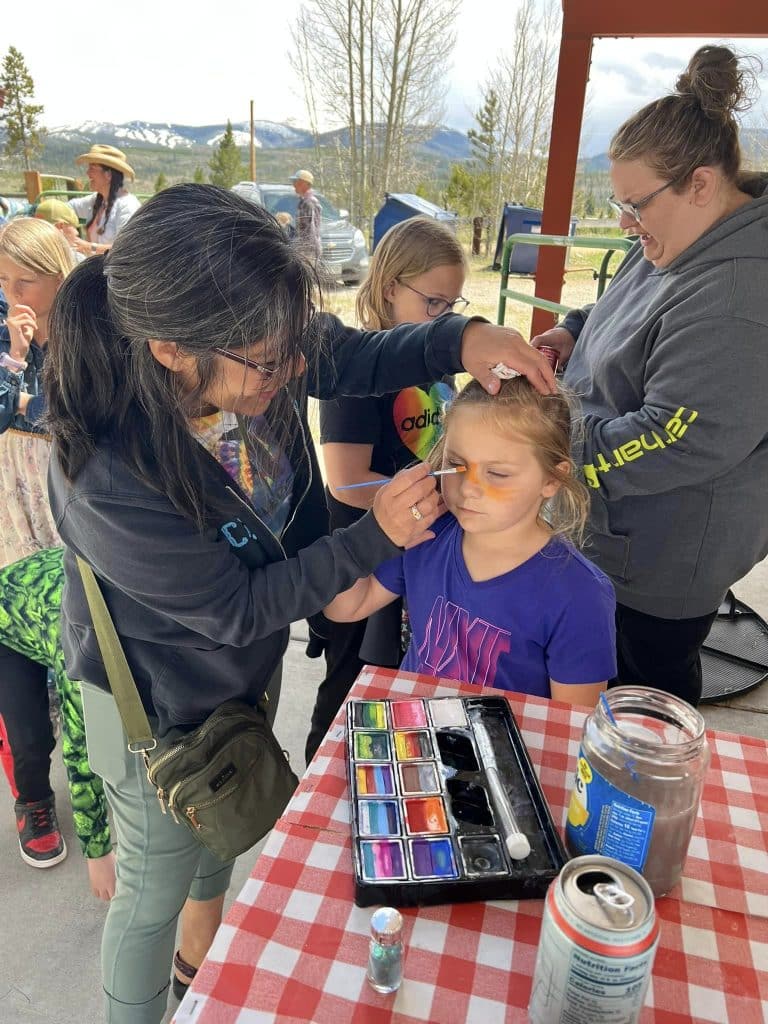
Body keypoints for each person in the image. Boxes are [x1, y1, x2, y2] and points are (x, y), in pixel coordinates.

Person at [44, 183, 554, 1023]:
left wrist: (463, 336)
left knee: (224, 821)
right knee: (149, 886)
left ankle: (199, 955)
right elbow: (237, 609)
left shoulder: (251, 335)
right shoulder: (102, 471)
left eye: (292, 351)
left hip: (231, 678)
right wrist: (369, 538)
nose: (292, 374)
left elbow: (351, 356)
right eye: (273, 363)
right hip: (145, 702)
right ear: (171, 348)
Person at [530, 44, 768, 707]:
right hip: (611, 519)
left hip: (660, 556)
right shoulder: (684, 234)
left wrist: (545, 443)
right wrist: (572, 330)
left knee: (640, 706)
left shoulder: (740, 297)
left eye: (637, 205)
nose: (627, 224)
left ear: (699, 182)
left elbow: (678, 436)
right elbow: (619, 302)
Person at [325, 377, 616, 705]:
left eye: (498, 473)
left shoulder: (579, 594)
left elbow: (571, 726)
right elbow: (345, 607)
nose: (468, 488)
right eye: (456, 465)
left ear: (551, 478)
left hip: (504, 750)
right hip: (418, 731)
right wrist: (375, 532)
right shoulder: (426, 535)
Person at [306, 216, 469, 761]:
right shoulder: (353, 374)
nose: (446, 318)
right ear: (391, 287)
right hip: (364, 548)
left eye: (454, 305)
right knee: (351, 676)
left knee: (398, 668)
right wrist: (435, 498)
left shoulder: (436, 364)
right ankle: (321, 775)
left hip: (417, 540)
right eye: (435, 304)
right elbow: (347, 482)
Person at [0, 218, 114, 894]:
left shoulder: (86, 335)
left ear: (57, 276)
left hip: (66, 497)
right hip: (9, 506)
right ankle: (32, 795)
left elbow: (82, 416)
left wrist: (24, 396)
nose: (10, 291)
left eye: (23, 279)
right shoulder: (5, 336)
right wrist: (12, 363)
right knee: (14, 652)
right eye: (2, 279)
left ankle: (102, 782)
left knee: (79, 645)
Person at [68, 144, 140, 257]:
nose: (87, 173)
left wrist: (88, 247)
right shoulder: (96, 200)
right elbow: (68, 207)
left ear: (108, 175)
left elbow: (127, 248)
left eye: (92, 168)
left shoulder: (127, 205)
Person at [290, 168, 322, 260]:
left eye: (296, 182)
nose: (294, 185)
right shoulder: (304, 201)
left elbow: (311, 229)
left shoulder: (310, 202)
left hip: (308, 252)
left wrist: (305, 253)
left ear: (304, 184)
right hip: (304, 250)